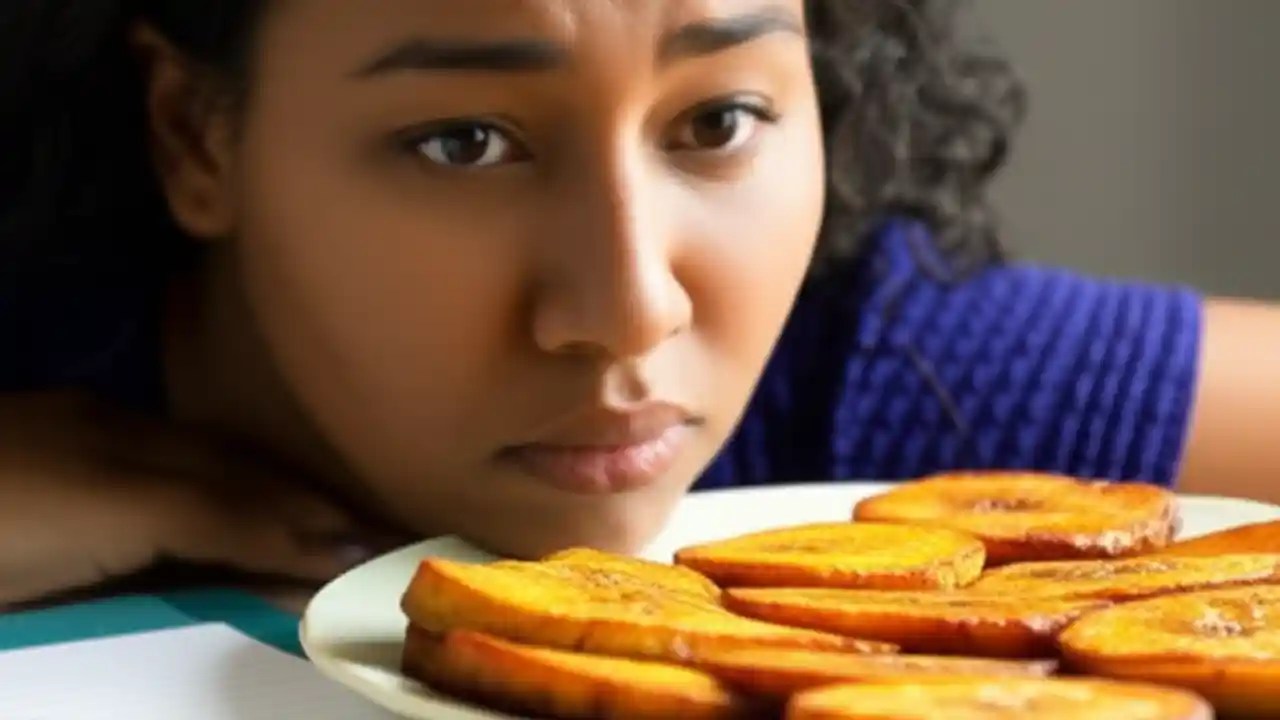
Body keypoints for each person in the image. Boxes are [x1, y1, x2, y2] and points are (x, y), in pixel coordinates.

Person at [1, 0, 1277, 609]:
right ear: (196, 140)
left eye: (717, 121)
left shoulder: (878, 369)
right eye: (463, 143)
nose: (627, 309)